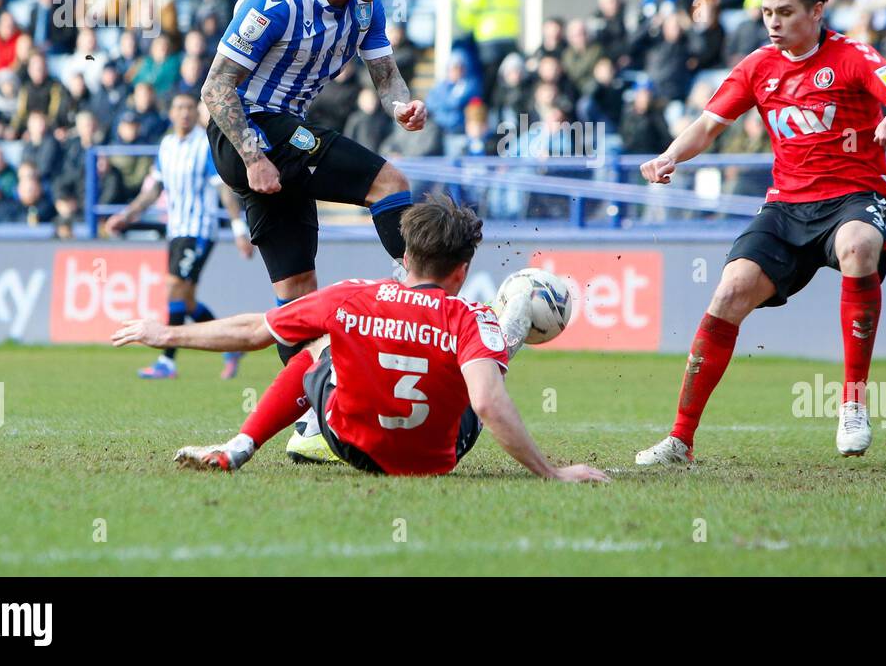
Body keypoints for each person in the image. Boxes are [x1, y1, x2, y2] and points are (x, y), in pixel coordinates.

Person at [632, 0, 886, 466]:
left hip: (853, 196)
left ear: (816, 11)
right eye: (767, 12)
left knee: (858, 245)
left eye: (785, 12)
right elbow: (708, 126)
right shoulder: (757, 65)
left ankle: (853, 405)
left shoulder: (854, 57)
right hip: (786, 206)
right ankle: (680, 440)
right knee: (729, 291)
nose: (773, 22)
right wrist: (669, 157)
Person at [112, 192, 609, 483]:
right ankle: (511, 329)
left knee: (320, 350)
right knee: (477, 357)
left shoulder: (351, 296)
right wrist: (552, 473)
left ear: (406, 257)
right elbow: (487, 405)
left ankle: (240, 447)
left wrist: (165, 332)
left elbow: (254, 332)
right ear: (462, 271)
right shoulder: (467, 314)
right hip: (436, 458)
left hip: (352, 444)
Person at [201, 0, 427, 457]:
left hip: (285, 146)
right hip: (249, 131)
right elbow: (215, 87)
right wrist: (253, 156)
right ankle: (419, 298)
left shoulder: (367, 6)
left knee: (297, 296)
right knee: (388, 181)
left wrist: (404, 106)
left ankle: (311, 427)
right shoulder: (274, 2)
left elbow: (384, 75)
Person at [105, 93, 255, 380]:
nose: (184, 112)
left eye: (189, 107)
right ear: (171, 113)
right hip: (176, 231)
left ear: (195, 112)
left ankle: (167, 361)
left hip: (199, 230)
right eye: (178, 107)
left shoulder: (205, 144)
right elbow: (153, 191)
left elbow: (223, 189)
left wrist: (239, 229)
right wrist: (127, 215)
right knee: (185, 302)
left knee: (173, 288)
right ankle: (233, 345)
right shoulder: (166, 145)